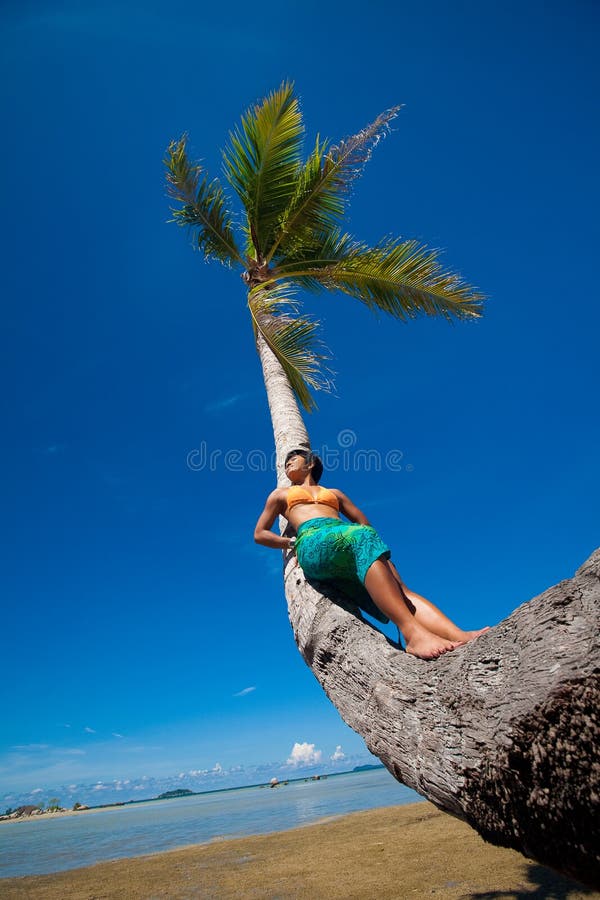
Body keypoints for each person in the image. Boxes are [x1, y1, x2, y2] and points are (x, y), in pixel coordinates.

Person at [254, 449, 488, 661]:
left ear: (311, 463)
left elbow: (362, 521)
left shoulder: (334, 493)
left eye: (292, 459)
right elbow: (260, 534)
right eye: (285, 463)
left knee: (401, 588)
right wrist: (289, 542)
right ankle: (413, 635)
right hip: (314, 541)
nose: (286, 464)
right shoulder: (280, 494)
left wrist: (374, 550)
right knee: (361, 536)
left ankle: (459, 634)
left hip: (349, 538)